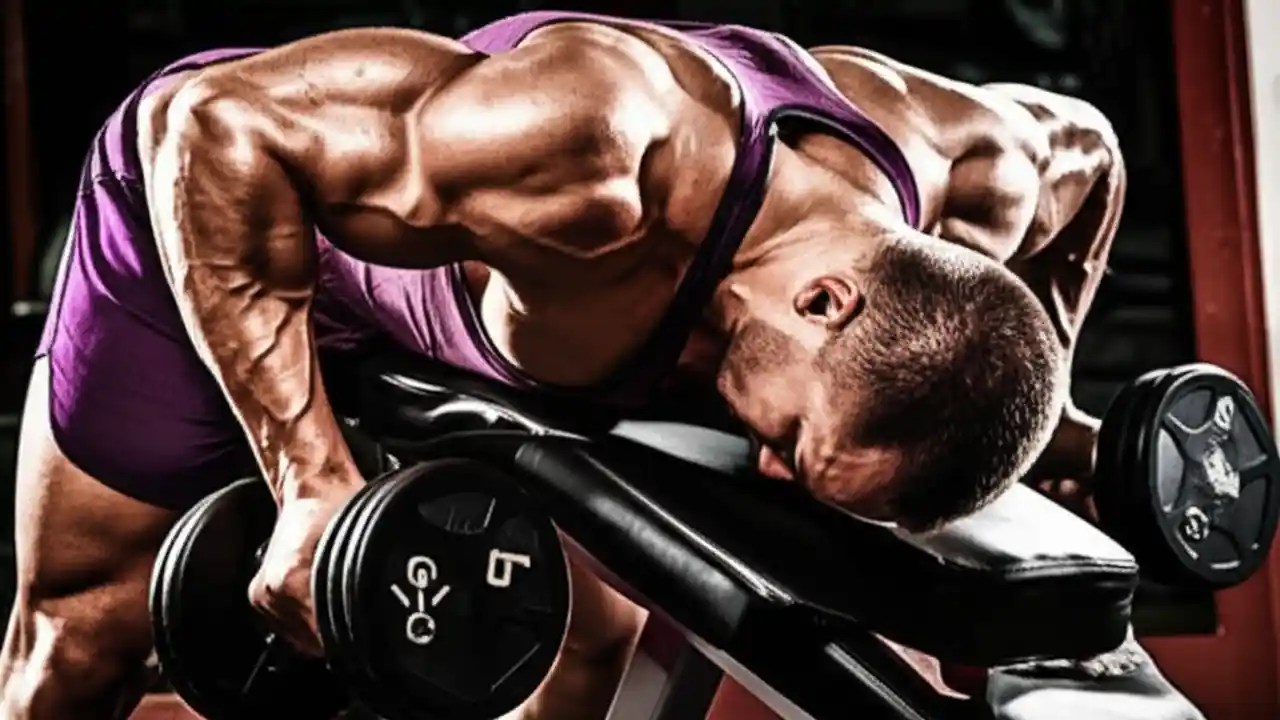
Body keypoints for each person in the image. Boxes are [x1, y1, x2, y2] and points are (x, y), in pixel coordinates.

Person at [0, 10, 1123, 720]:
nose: (769, 474)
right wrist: (309, 480)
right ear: (824, 299)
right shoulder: (598, 150)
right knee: (88, 631)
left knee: (587, 644)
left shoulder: (981, 174)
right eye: (788, 443)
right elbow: (215, 126)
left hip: (516, 328)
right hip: (216, 222)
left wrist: (1055, 398)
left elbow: (1091, 156)